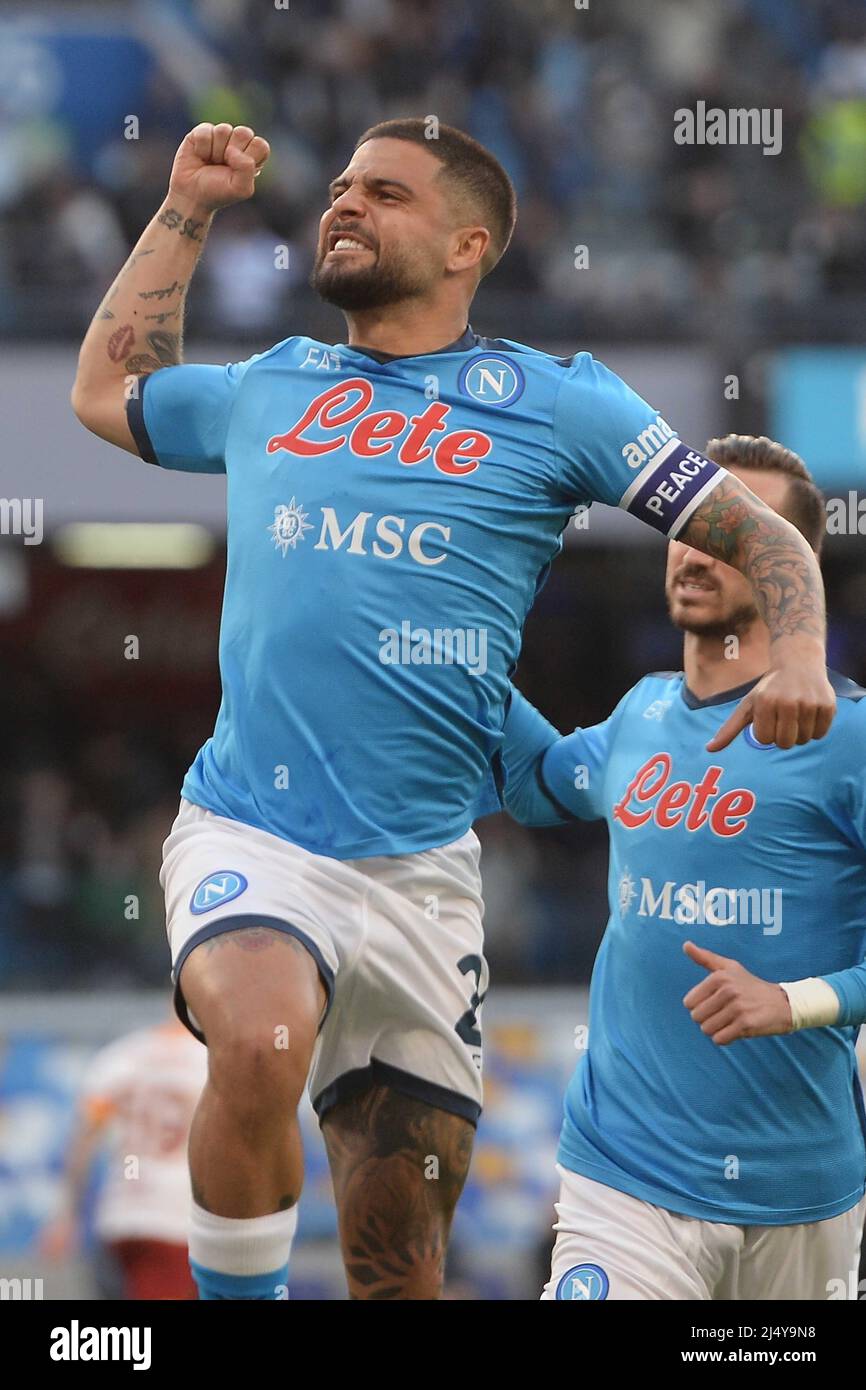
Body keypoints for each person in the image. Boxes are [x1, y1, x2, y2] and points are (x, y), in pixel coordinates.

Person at [71, 118, 834, 1301]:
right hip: (254, 831)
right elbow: (108, 388)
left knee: (398, 1261)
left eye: (384, 193)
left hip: (423, 876)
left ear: (468, 242)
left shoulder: (559, 403)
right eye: (337, 189)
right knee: (261, 1033)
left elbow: (755, 529)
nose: (343, 205)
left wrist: (794, 650)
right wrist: (186, 207)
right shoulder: (275, 381)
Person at [499, 435, 866, 1300]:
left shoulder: (850, 737)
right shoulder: (640, 712)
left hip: (803, 1195)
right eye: (689, 522)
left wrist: (794, 1002)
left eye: (737, 529)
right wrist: (455, 641)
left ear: (793, 567)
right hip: (623, 1174)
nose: (699, 544)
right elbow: (531, 783)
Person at [44, 1015, 207, 1299]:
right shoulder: (210, 1058)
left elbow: (83, 1143)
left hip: (122, 1210)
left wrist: (64, 1217)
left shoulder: (122, 1055)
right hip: (178, 1213)